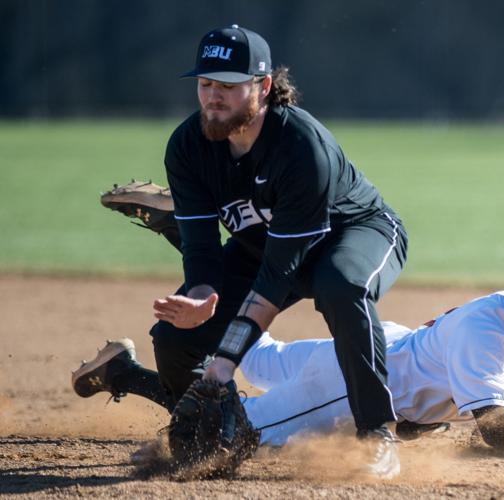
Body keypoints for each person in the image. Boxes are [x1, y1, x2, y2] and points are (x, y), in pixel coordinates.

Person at [72, 24, 407, 478]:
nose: (213, 96)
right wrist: (202, 297)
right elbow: (204, 252)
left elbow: (275, 279)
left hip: (351, 232)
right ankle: (214, 436)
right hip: (263, 243)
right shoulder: (188, 146)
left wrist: (225, 363)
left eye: (229, 86)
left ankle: (378, 434)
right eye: (206, 84)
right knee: (174, 338)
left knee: (341, 287)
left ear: (264, 86)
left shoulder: (302, 148)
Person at [164, 236, 504, 477]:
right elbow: (497, 430)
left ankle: (183, 256)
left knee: (261, 356)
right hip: (347, 389)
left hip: (385, 346)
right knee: (228, 430)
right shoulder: (484, 330)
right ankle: (190, 246)